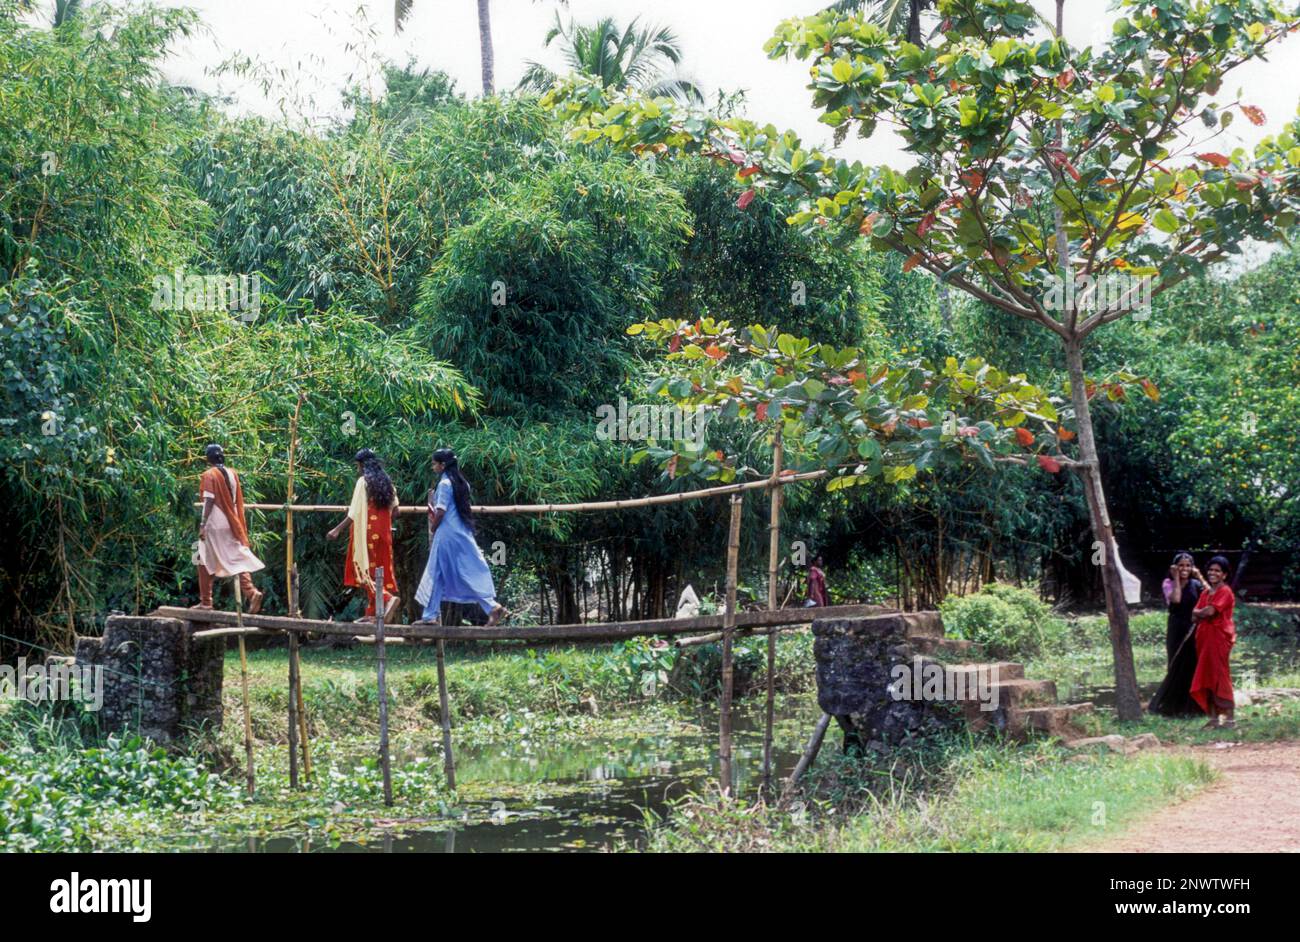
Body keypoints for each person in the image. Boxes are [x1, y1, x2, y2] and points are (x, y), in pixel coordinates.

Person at [414, 448, 506, 626]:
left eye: (434, 463)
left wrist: (433, 527)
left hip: (447, 534)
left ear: (442, 465)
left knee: (436, 571)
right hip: (462, 532)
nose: (433, 467)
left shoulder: (445, 484)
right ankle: (491, 606)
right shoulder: (463, 484)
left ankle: (429, 616)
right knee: (463, 570)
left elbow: (441, 511)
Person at [328, 448, 400, 624]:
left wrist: (336, 530)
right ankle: (375, 613)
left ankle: (386, 597)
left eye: (357, 465)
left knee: (363, 568)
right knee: (379, 570)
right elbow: (396, 511)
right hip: (384, 533)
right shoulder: (387, 481)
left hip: (366, 533)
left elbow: (353, 513)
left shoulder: (363, 482)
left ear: (361, 465)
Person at [193, 444, 264, 613]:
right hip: (230, 520)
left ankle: (249, 592)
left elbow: (208, 501)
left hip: (215, 522)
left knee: (218, 557)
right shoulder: (232, 473)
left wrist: (202, 524)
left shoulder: (209, 475)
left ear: (207, 458)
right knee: (204, 558)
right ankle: (207, 601)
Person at [1147, 552, 1203, 717]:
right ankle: (1173, 705)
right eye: (1181, 566)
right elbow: (1176, 599)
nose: (1184, 568)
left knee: (1193, 664)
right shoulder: (1168, 583)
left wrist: (1199, 576)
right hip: (1177, 628)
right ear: (1174, 567)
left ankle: (1193, 706)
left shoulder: (1196, 584)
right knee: (1176, 663)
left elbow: (1212, 596)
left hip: (1194, 627)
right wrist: (1177, 578)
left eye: (1187, 566)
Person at [1189, 555, 1237, 729]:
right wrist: (1200, 612)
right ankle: (1214, 718)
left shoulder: (1225, 591)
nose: (1212, 573)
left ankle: (1230, 720)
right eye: (1210, 570)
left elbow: (1209, 612)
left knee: (1220, 676)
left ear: (1224, 575)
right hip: (1203, 638)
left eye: (1217, 570)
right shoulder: (1205, 593)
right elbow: (1194, 617)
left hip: (1219, 638)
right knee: (1205, 675)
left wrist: (1199, 611)